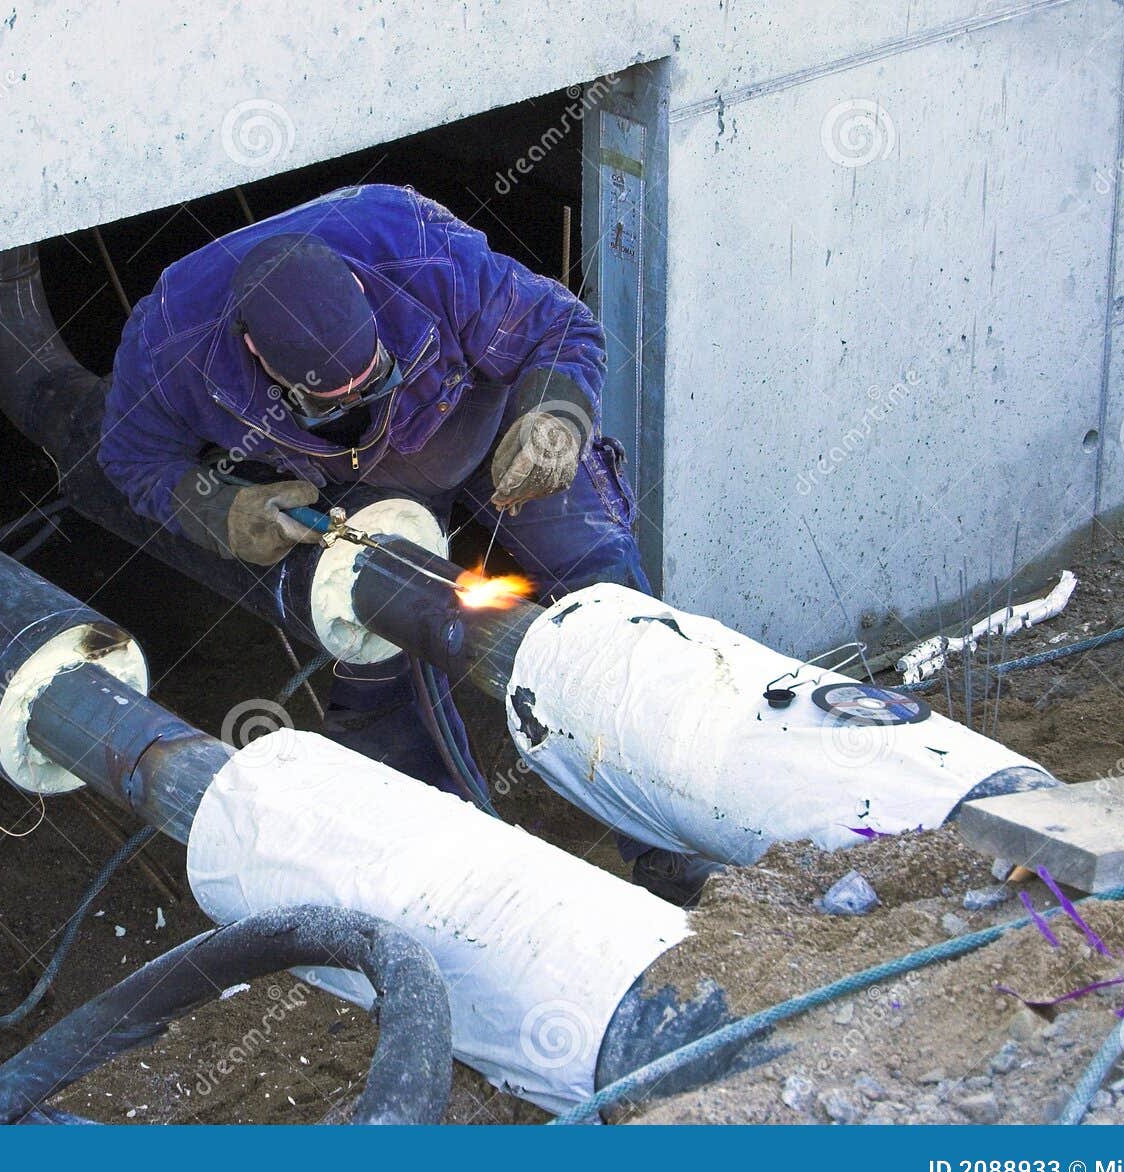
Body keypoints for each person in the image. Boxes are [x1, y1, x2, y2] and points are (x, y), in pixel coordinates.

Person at [99, 183, 712, 903]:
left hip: (491, 426)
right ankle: (468, 896)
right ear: (255, 352)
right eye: (335, 397)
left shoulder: (415, 246)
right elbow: (130, 457)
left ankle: (681, 863)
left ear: (362, 288)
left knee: (607, 610)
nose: (366, 394)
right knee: (382, 678)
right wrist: (226, 511)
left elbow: (562, 328)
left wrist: (556, 417)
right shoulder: (172, 337)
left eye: (376, 375)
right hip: (357, 494)